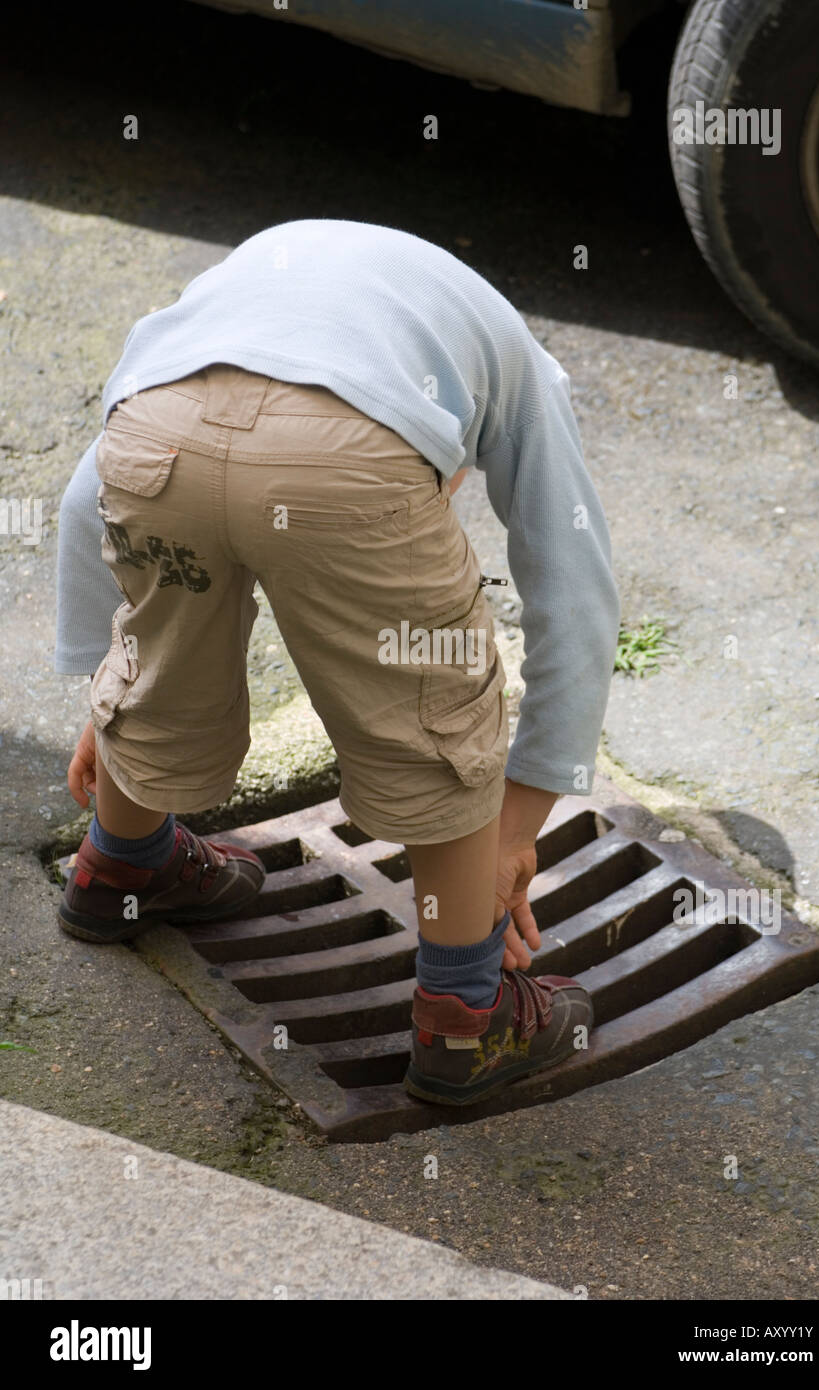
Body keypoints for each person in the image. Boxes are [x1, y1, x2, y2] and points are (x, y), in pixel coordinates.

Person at [55, 219, 620, 1106]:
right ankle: (466, 1016)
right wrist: (517, 824)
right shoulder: (517, 362)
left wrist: (106, 689)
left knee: (159, 651)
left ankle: (123, 865)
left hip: (154, 429)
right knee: (441, 719)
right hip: (340, 463)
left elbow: (86, 501)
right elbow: (576, 587)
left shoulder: (253, 293)